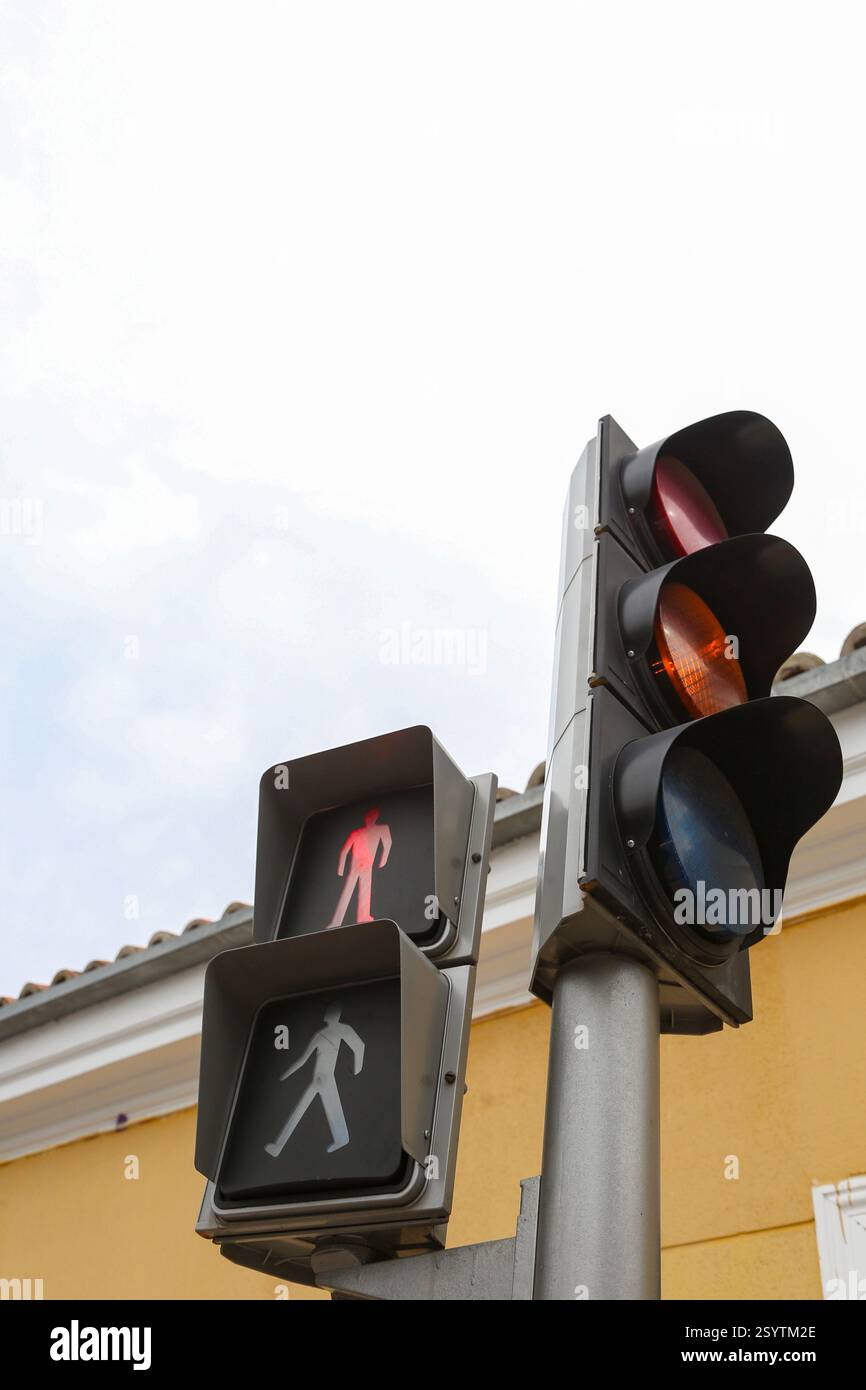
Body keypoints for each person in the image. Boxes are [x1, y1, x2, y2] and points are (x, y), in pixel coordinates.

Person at [264, 1003, 365, 1158]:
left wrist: (357, 1069)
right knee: (306, 1109)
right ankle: (279, 1147)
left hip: (325, 1079)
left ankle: (279, 1147)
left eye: (332, 1010)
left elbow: (359, 1046)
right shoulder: (320, 1034)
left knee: (304, 1110)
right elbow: (303, 1060)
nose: (329, 1013)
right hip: (319, 1079)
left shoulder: (342, 1030)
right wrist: (287, 1074)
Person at [327, 806, 392, 927]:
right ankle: (337, 921)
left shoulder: (381, 829)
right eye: (368, 817)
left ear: (376, 817)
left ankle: (361, 918)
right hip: (359, 864)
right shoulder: (357, 833)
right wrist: (340, 869)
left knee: (363, 891)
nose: (369, 819)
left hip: (366, 864)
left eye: (372, 817)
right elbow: (344, 851)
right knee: (350, 891)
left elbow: (388, 843)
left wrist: (384, 859)